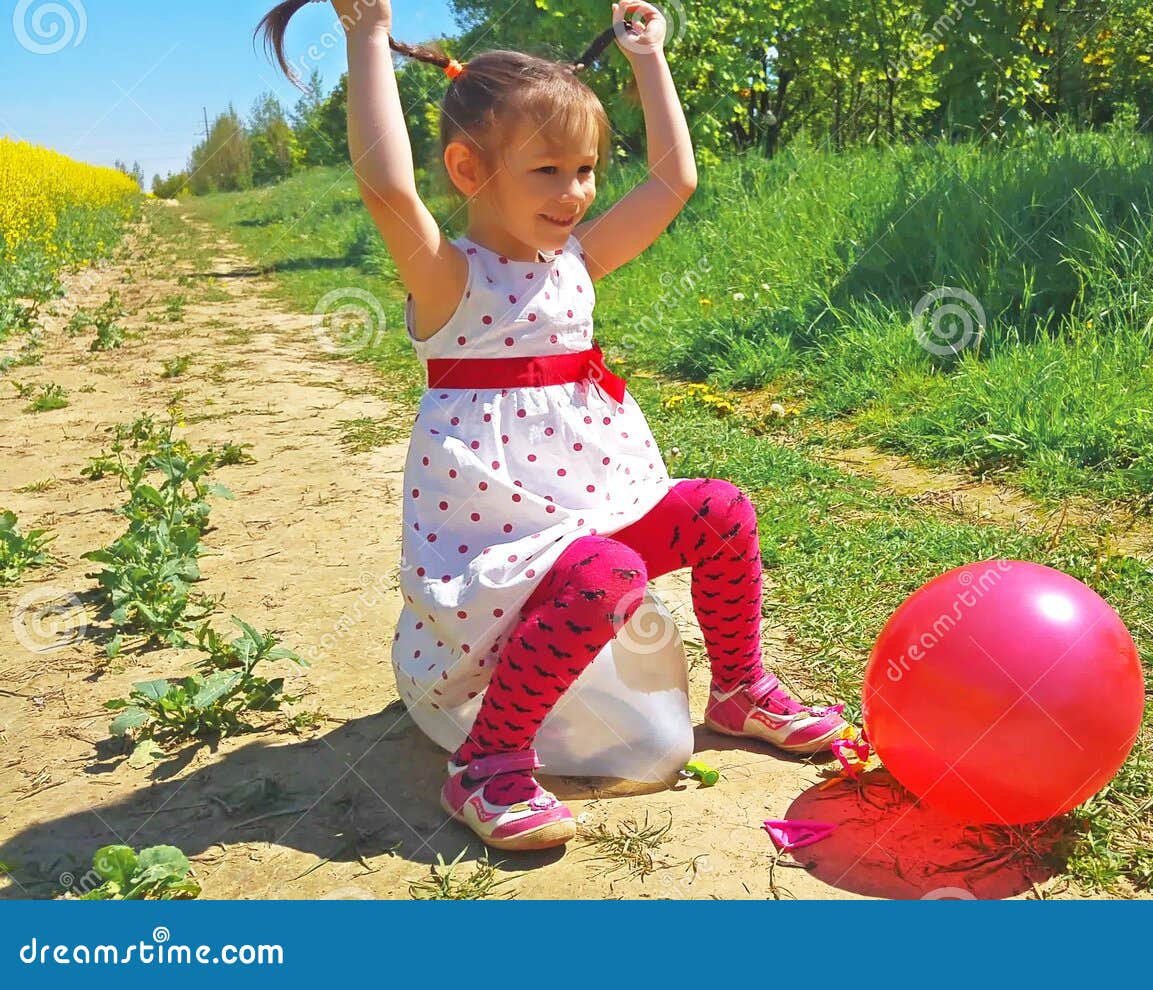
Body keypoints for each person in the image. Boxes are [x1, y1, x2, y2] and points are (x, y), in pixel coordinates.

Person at [257, 0, 852, 851]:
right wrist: (367, 37)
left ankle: (740, 690)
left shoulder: (577, 260)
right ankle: (488, 762)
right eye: (547, 170)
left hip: (590, 506)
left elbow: (672, 182)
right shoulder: (449, 280)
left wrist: (647, 58)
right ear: (468, 169)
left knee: (721, 511)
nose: (574, 193)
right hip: (502, 532)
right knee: (608, 574)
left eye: (585, 169)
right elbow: (386, 185)